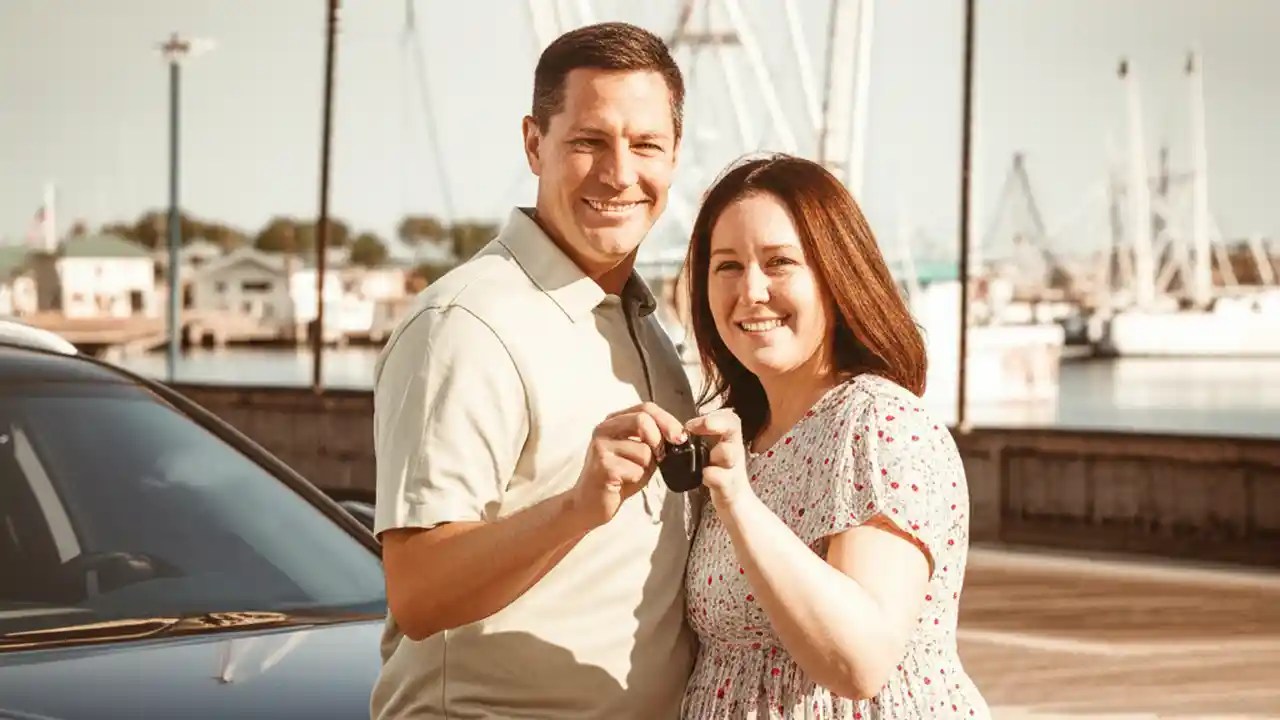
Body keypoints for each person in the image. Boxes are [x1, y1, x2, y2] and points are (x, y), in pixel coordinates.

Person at [369, 22, 700, 720]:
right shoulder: (465, 324)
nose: (619, 173)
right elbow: (419, 591)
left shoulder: (646, 328)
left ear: (674, 157)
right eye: (588, 141)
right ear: (533, 144)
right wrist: (577, 508)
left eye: (645, 145)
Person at [676, 154, 991, 719]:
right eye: (726, 266)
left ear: (835, 275)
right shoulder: (747, 438)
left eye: (779, 263)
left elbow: (858, 663)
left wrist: (739, 503)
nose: (751, 290)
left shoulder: (877, 423)